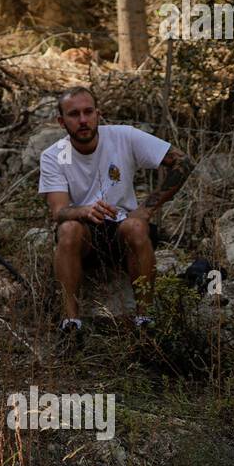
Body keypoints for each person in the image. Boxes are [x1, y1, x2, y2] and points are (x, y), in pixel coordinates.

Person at [38, 86, 195, 337]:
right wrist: (84, 211)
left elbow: (183, 161)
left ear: (98, 114)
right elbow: (59, 211)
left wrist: (146, 209)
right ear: (61, 121)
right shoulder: (54, 155)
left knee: (136, 226)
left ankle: (145, 320)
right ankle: (71, 324)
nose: (83, 120)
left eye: (88, 112)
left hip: (124, 230)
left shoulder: (123, 136)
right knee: (68, 229)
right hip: (85, 235)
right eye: (74, 114)